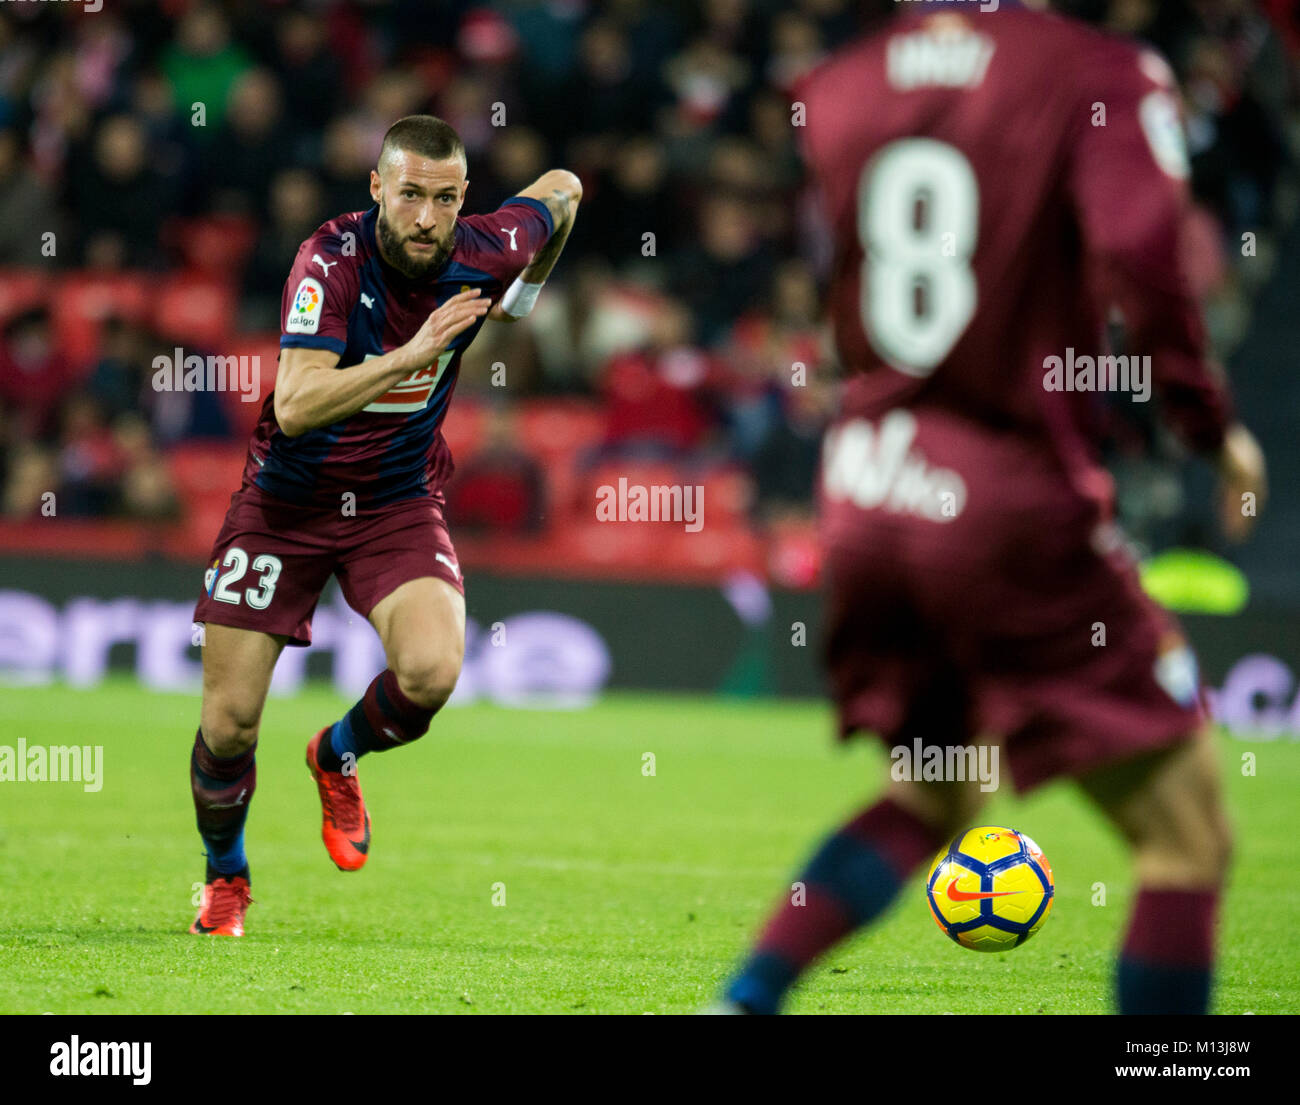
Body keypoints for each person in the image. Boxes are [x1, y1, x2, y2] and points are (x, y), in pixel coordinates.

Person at [715, 1, 1266, 1014]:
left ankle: (741, 1000)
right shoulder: (1096, 73)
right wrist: (1206, 423)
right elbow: (1144, 256)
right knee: (1185, 835)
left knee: (936, 791)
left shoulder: (838, 84)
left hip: (871, 485)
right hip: (1004, 493)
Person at [187, 114, 581, 936]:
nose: (427, 217)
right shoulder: (327, 260)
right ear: (377, 189)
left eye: (443, 199)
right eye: (409, 195)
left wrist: (523, 296)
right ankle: (226, 876)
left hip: (396, 499)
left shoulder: (484, 247)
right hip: (285, 506)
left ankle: (335, 752)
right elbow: (293, 407)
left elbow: (565, 192)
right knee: (228, 727)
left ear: (463, 197)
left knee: (433, 671)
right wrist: (411, 353)